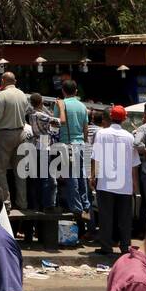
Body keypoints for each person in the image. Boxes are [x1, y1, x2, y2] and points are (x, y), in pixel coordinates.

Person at [90, 106, 139, 256]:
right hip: (124, 184)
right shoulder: (130, 137)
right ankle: (125, 247)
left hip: (105, 182)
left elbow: (96, 157)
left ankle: (106, 247)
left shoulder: (101, 134)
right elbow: (134, 164)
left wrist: (93, 176)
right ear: (124, 119)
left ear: (110, 117)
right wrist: (135, 185)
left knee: (106, 216)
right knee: (124, 218)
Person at [0, 72, 30, 212]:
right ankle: (23, 203)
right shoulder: (22, 94)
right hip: (21, 133)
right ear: (15, 81)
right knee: (20, 171)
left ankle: (6, 203)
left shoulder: (2, 95)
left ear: (2, 81)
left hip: (5, 134)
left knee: (0, 169)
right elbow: (26, 111)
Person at [56, 79, 89, 221]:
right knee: (81, 175)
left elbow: (57, 125)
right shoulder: (82, 106)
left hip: (66, 145)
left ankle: (76, 208)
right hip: (81, 143)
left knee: (71, 177)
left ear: (63, 91)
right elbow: (85, 129)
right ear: (76, 91)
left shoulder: (61, 105)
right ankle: (85, 204)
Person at [25, 93, 58, 213]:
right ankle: (47, 205)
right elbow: (58, 121)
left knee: (37, 177)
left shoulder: (32, 114)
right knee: (45, 177)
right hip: (44, 144)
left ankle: (36, 204)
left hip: (35, 144)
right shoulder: (40, 115)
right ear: (41, 102)